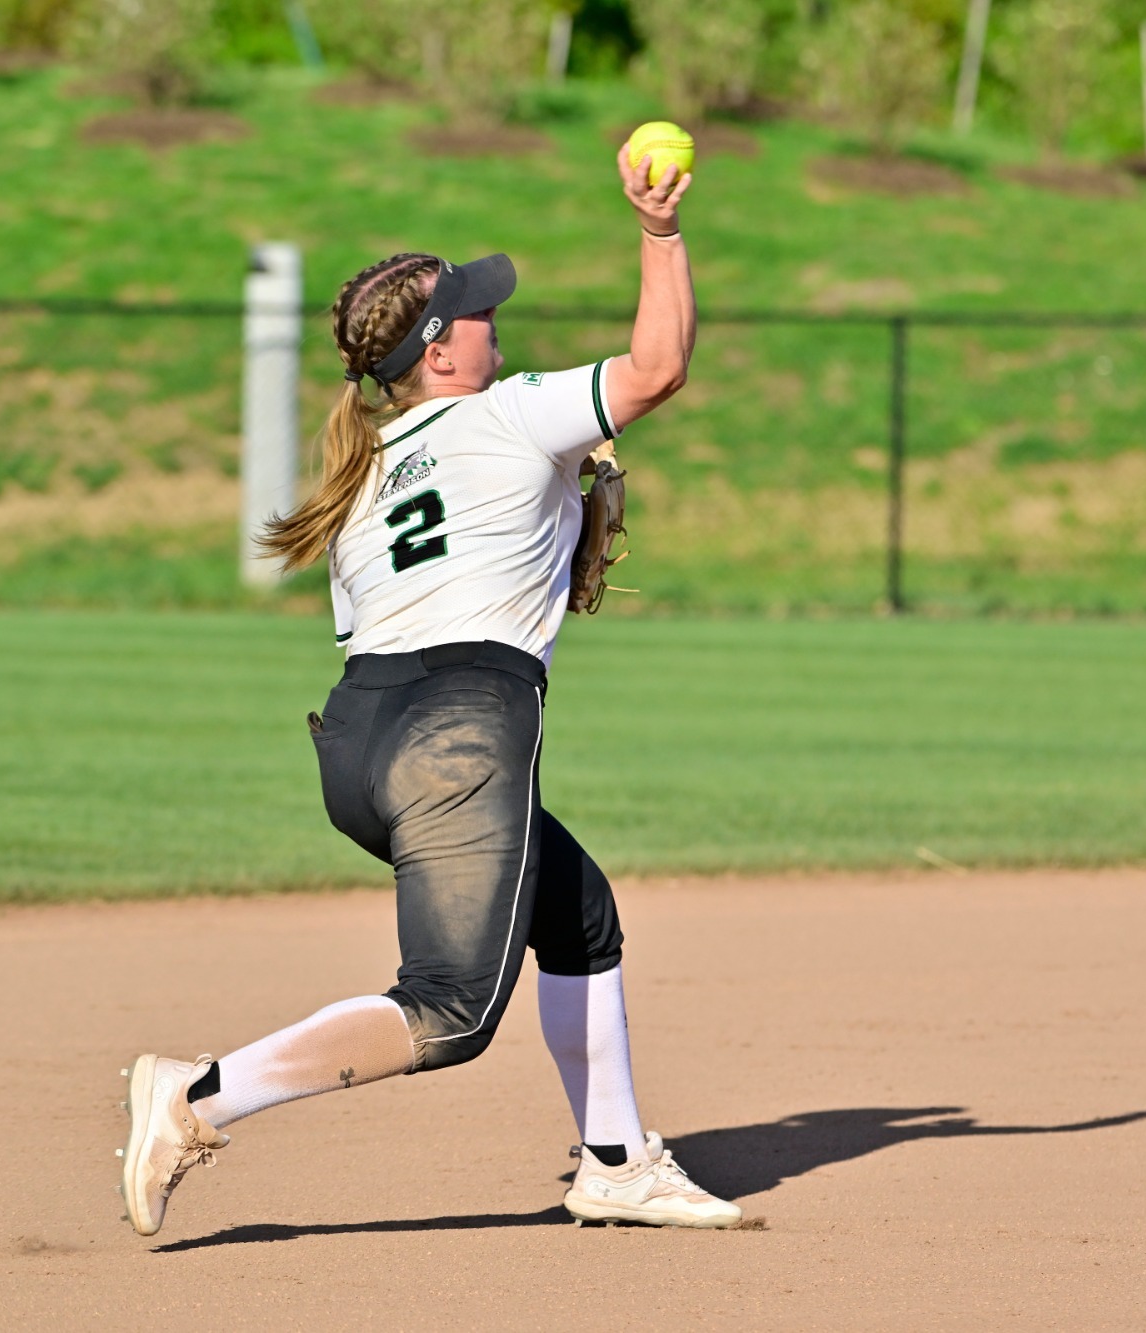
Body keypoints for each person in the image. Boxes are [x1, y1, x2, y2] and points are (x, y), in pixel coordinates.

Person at [117, 146, 741, 1236]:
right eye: (474, 314)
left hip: (361, 741)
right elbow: (657, 367)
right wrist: (657, 231)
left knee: (579, 915)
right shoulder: (506, 414)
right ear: (440, 352)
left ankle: (612, 1161)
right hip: (460, 731)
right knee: (449, 1011)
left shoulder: (365, 470)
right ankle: (197, 1094)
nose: (494, 324)